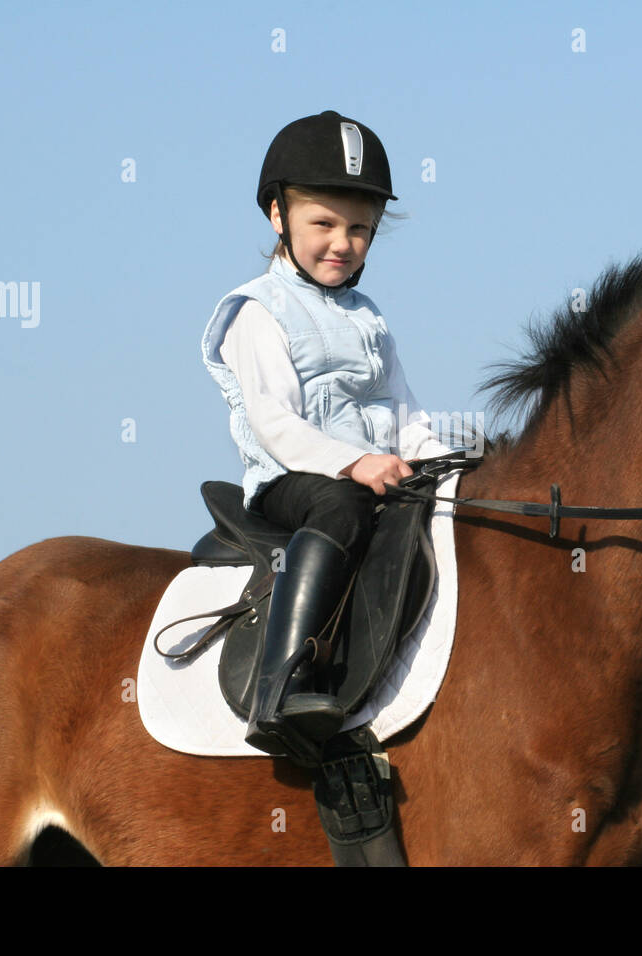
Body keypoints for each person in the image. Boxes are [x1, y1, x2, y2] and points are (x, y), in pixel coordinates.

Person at [200, 110, 453, 760]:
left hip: (367, 475)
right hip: (292, 484)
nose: (342, 243)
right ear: (278, 217)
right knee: (339, 504)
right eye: (324, 224)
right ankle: (281, 686)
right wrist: (355, 465)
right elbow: (277, 425)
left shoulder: (366, 318)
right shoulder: (257, 312)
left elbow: (403, 411)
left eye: (360, 229)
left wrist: (443, 464)